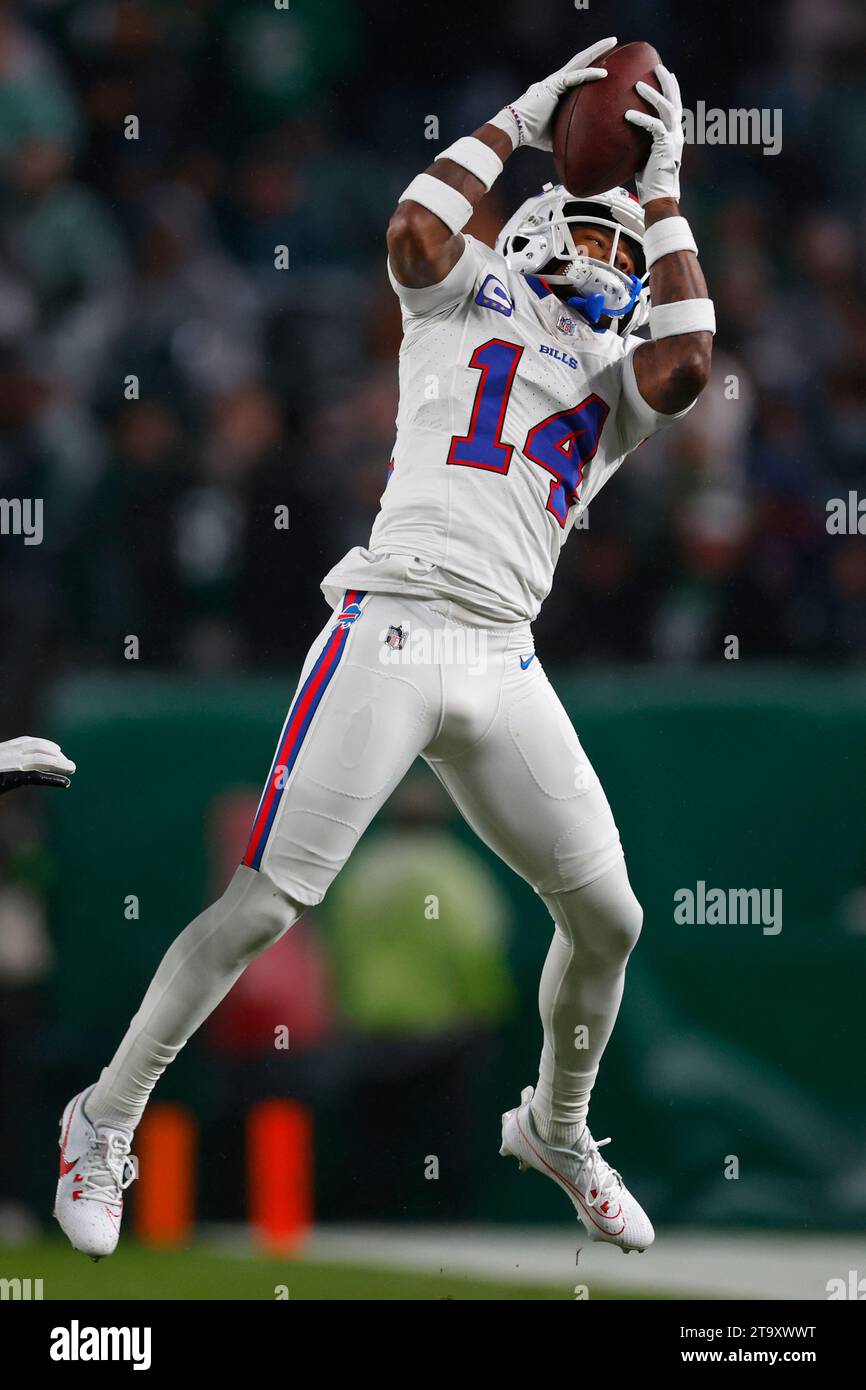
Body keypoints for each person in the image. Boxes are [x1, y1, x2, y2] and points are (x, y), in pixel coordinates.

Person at [55, 36, 713, 1259]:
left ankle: (555, 1128)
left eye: (623, 247)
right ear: (523, 234)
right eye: (589, 231)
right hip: (393, 624)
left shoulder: (620, 385)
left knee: (610, 917)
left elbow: (684, 363)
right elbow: (415, 228)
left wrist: (663, 189)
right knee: (261, 906)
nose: (607, 254)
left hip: (504, 655)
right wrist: (522, 115)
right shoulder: (460, 292)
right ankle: (104, 1115)